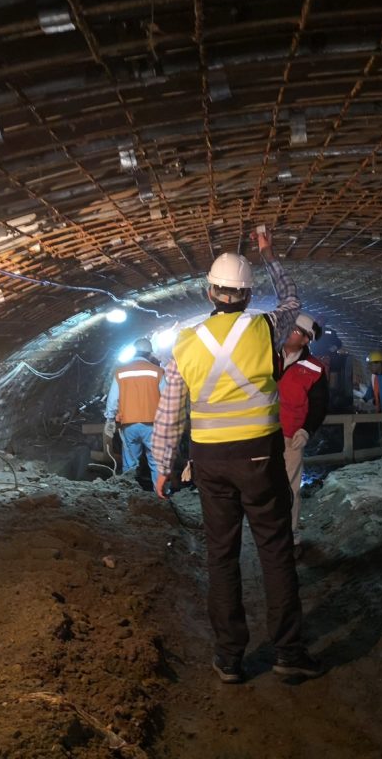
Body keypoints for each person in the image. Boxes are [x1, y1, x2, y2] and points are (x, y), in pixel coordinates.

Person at [151, 226, 322, 684]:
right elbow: (292, 300)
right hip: (259, 458)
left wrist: (163, 468)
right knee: (275, 551)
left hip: (209, 462)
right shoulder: (267, 327)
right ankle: (288, 652)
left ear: (210, 291)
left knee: (221, 555)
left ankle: (229, 658)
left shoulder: (183, 343)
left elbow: (170, 413)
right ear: (248, 296)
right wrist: (269, 255)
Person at [278, 313, 328, 548]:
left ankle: (290, 536)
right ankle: (268, 536)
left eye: (295, 330)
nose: (289, 331)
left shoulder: (315, 369)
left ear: (306, 339)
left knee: (289, 489)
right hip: (260, 435)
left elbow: (319, 405)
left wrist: (307, 430)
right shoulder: (266, 354)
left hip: (290, 438)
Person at [105, 337, 165, 487]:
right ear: (150, 354)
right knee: (157, 462)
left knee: (130, 462)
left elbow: (112, 399)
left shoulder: (121, 372)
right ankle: (162, 496)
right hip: (153, 424)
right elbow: (167, 398)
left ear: (134, 353)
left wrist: (110, 419)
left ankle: (129, 494)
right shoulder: (157, 371)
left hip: (129, 424)